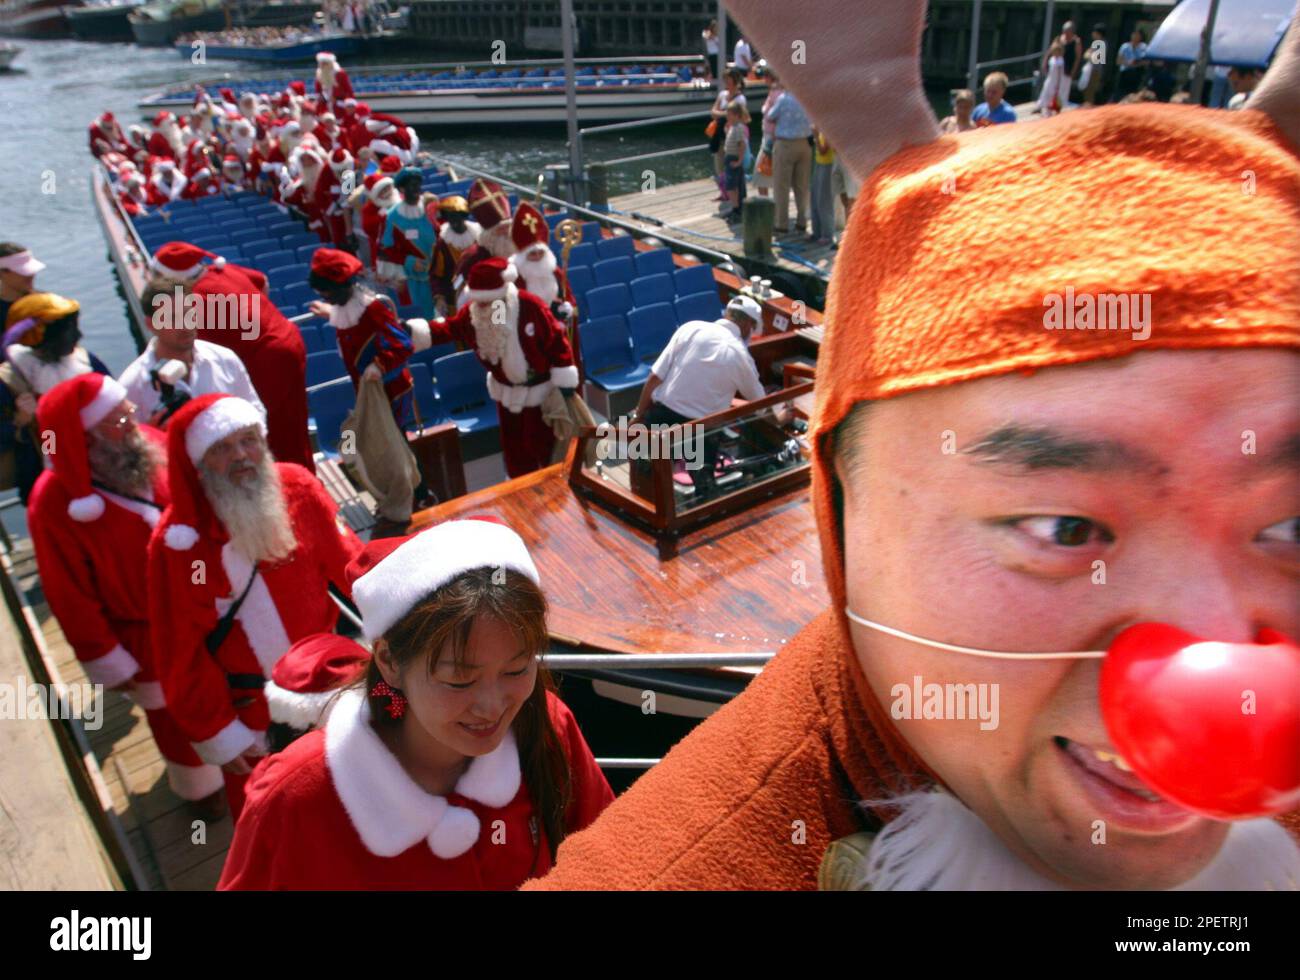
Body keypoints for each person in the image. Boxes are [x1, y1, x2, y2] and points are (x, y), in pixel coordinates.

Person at [525, 0, 1300, 891]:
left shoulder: (699, 341)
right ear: (843, 515)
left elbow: (662, 388)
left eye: (1290, 524)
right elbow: (749, 407)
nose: (1225, 671)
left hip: (663, 429)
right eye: (1061, 526)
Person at [217, 518, 615, 889]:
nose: (492, 706)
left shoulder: (546, 724)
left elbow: (610, 848)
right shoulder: (294, 797)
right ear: (389, 662)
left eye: (517, 670)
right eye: (460, 679)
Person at [146, 394, 362, 818]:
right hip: (251, 719)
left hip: (330, 683)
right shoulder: (177, 546)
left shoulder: (297, 487)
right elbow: (179, 651)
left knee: (358, 800)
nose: (241, 456)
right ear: (199, 462)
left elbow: (353, 565)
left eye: (248, 440)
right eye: (222, 448)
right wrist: (220, 732)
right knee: (280, 823)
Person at [29, 374, 225, 814]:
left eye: (129, 411)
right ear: (87, 436)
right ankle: (201, 788)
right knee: (172, 717)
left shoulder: (153, 445)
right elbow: (68, 595)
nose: (133, 421)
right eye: (118, 418)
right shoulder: (53, 506)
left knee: (226, 690)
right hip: (144, 635)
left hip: (207, 608)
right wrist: (106, 658)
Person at [149, 242, 314, 472]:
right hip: (287, 340)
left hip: (268, 361)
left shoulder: (194, 299)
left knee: (275, 432)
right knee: (294, 423)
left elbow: (193, 349)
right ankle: (304, 475)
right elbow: (262, 282)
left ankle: (293, 485)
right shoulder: (221, 270)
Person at [428, 258, 579, 479]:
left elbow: (556, 341)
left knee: (544, 447)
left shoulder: (529, 306)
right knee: (515, 450)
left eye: (486, 301)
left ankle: (554, 491)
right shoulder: (479, 312)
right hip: (506, 396)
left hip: (540, 395)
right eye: (479, 301)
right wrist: (416, 331)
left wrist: (565, 379)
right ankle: (521, 494)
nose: (481, 306)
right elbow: (452, 328)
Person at [629, 294, 765, 498]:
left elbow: (654, 378)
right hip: (700, 431)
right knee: (705, 489)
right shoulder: (740, 355)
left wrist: (638, 416)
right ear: (748, 325)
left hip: (663, 420)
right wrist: (779, 418)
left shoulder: (690, 328)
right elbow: (761, 405)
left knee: (647, 476)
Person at [2, 293, 111, 505]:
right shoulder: (8, 381)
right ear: (42, 336)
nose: (79, 336)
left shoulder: (85, 361)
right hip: (46, 471)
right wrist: (20, 420)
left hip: (103, 462)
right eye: (70, 331)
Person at [119, 282, 266, 427]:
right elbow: (128, 445)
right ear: (151, 325)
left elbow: (255, 411)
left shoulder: (225, 359)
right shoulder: (132, 385)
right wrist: (154, 435)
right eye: (173, 318)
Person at [307, 248, 418, 430]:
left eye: (328, 295)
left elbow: (404, 345)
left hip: (390, 393)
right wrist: (331, 313)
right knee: (365, 443)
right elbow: (352, 323)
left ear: (341, 289)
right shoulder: (344, 308)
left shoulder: (373, 309)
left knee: (394, 448)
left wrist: (378, 365)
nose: (327, 300)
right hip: (368, 393)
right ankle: (350, 455)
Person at [377, 167, 438, 318]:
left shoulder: (431, 207)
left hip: (438, 274)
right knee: (421, 318)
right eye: (412, 185)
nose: (417, 189)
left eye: (418, 184)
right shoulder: (392, 217)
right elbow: (384, 250)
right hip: (413, 279)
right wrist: (408, 261)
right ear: (402, 189)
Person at [509, 203, 575, 321]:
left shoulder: (555, 272)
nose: (538, 257)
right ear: (523, 256)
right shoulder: (512, 277)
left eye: (541, 252)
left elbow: (568, 298)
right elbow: (499, 310)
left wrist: (568, 307)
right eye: (533, 254)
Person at [453, 178, 515, 296]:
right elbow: (458, 292)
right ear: (489, 234)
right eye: (500, 229)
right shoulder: (471, 258)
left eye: (508, 227)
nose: (506, 233)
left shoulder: (521, 248)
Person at [767, 84, 813, 234]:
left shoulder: (783, 99)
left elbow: (770, 116)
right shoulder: (806, 98)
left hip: (786, 144)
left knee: (782, 186)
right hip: (805, 144)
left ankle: (782, 223)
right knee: (801, 186)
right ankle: (802, 221)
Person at [429, 194, 481, 313]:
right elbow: (436, 275)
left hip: (481, 292)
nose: (453, 221)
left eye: (456, 217)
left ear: (463, 216)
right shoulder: (443, 243)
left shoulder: (479, 237)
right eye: (450, 217)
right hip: (454, 298)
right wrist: (439, 297)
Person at [709, 69, 749, 200]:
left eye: (728, 79)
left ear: (735, 80)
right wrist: (725, 114)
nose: (725, 81)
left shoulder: (740, 98)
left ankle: (735, 196)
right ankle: (724, 192)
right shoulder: (722, 94)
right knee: (719, 165)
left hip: (733, 136)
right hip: (720, 134)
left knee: (732, 167)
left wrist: (721, 113)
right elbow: (713, 111)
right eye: (724, 79)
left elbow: (736, 116)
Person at [721, 101, 749, 226]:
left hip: (733, 159)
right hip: (729, 158)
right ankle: (736, 208)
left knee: (731, 187)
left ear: (737, 115)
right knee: (734, 186)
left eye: (730, 114)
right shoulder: (733, 127)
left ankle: (737, 210)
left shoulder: (738, 128)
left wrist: (739, 161)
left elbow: (742, 145)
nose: (727, 116)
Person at [0, 243, 41, 328]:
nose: (31, 275)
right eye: (24, 271)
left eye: (31, 269)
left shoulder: (49, 306)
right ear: (2, 273)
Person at [809, 129, 836, 245]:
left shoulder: (830, 129)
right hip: (819, 163)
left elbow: (823, 150)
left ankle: (827, 235)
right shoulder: (821, 127)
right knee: (814, 198)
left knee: (824, 200)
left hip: (828, 164)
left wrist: (815, 136)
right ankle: (817, 232)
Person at [1113, 29, 1148, 102]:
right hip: (1125, 72)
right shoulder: (1125, 46)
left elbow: (1146, 61)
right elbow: (1119, 61)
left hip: (1137, 72)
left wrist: (1136, 64)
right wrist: (1128, 63)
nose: (1135, 37)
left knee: (1134, 92)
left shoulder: (1144, 47)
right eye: (1134, 34)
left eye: (1137, 35)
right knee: (1121, 92)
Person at [1038, 42, 1068, 116]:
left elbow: (1059, 74)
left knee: (1054, 96)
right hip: (1050, 79)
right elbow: (1044, 67)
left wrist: (1058, 85)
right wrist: (1046, 55)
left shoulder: (1060, 61)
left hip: (1055, 81)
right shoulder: (1052, 59)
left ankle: (1054, 112)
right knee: (1045, 94)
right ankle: (1046, 111)